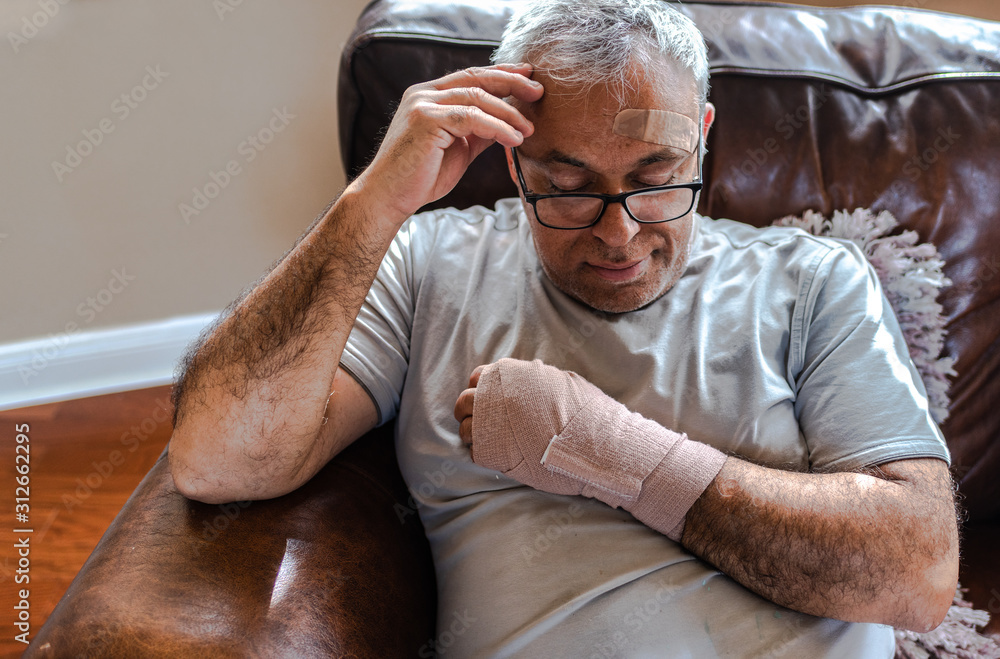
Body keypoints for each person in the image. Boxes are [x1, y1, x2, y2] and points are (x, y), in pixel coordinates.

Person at [167, 0, 959, 655]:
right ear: (514, 165)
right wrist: (372, 202)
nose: (618, 235)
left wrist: (608, 450)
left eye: (655, 180)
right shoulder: (428, 262)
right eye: (569, 187)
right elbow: (218, 460)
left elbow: (918, 575)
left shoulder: (815, 280)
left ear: (703, 139)